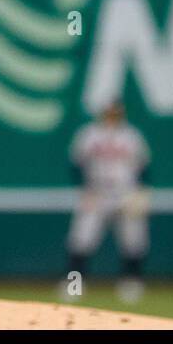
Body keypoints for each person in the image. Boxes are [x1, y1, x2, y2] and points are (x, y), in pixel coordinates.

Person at [63, 100, 151, 304]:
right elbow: (76, 164)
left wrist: (142, 193)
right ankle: (74, 285)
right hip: (97, 192)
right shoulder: (89, 134)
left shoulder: (131, 136)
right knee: (81, 240)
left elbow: (144, 167)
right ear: (103, 113)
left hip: (125, 192)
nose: (112, 115)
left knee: (134, 240)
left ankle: (132, 285)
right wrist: (84, 190)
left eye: (116, 112)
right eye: (109, 112)